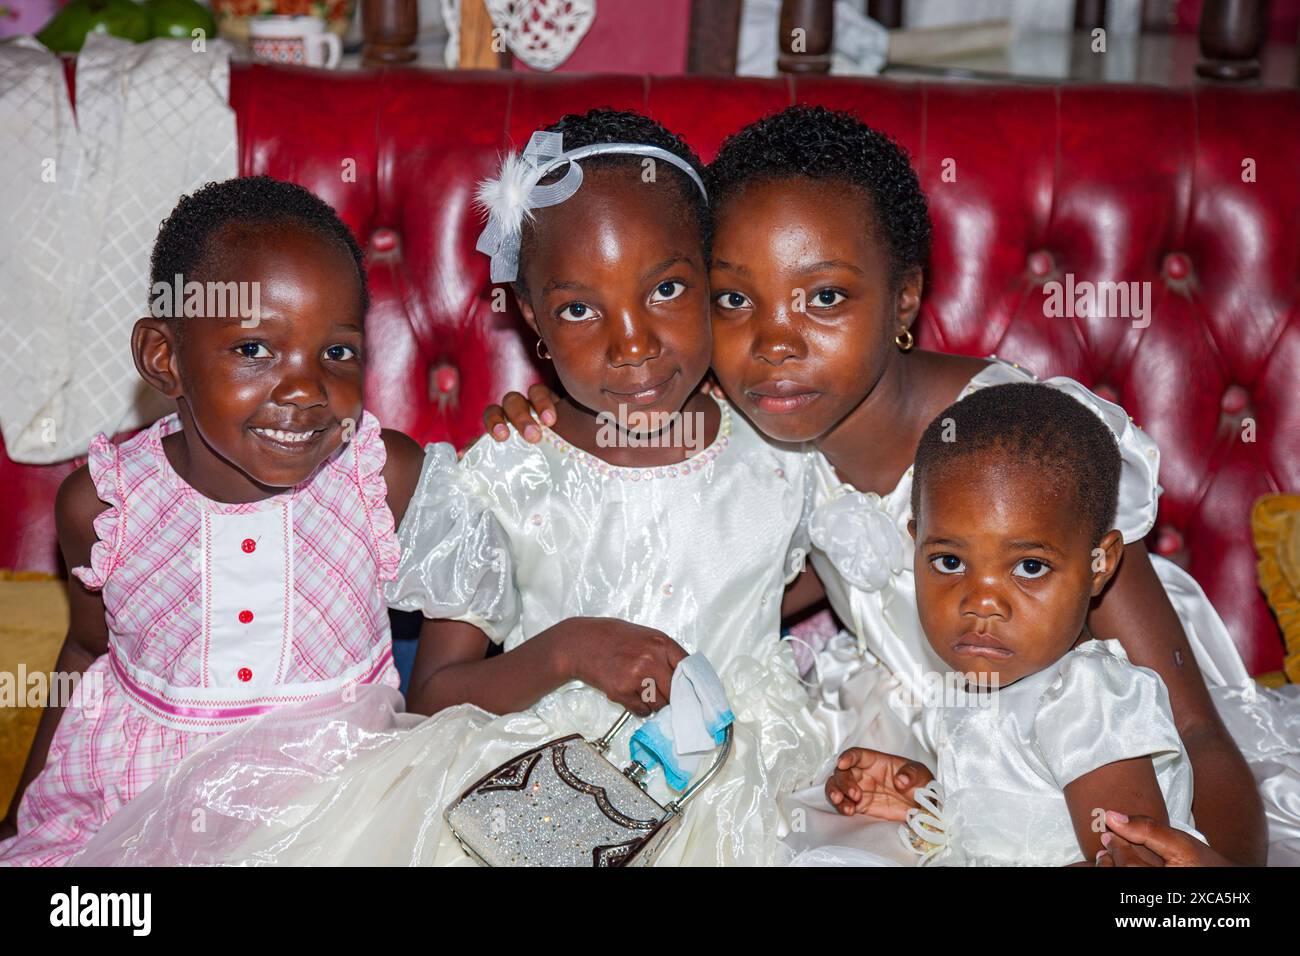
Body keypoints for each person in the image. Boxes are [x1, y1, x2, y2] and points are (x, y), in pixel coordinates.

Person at [486, 104, 1300, 865]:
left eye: (826, 298)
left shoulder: (1013, 450)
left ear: (905, 296)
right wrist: (553, 424)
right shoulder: (745, 435)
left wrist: (1221, 879)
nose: (775, 343)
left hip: (1092, 755)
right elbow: (702, 575)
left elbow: (1195, 726)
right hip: (924, 758)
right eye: (736, 299)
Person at [74, 109, 830, 867]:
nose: (630, 343)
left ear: (715, 280)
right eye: (578, 308)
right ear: (531, 319)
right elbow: (431, 695)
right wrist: (565, 652)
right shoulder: (503, 472)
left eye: (666, 288)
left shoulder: (783, 450)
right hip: (537, 775)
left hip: (748, 774)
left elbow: (802, 577)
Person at [0, 176, 424, 866]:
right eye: (255, 349)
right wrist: (19, 817)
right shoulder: (105, 505)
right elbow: (86, 654)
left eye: (337, 352)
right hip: (146, 819)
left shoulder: (384, 479)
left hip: (339, 820)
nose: (306, 389)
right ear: (164, 359)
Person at [824, 383, 1201, 867]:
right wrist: (930, 800)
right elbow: (1024, 812)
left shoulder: (1086, 698)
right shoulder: (989, 675)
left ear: (1099, 564)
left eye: (1029, 568)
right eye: (948, 561)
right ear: (914, 545)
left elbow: (1133, 866)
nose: (981, 603)